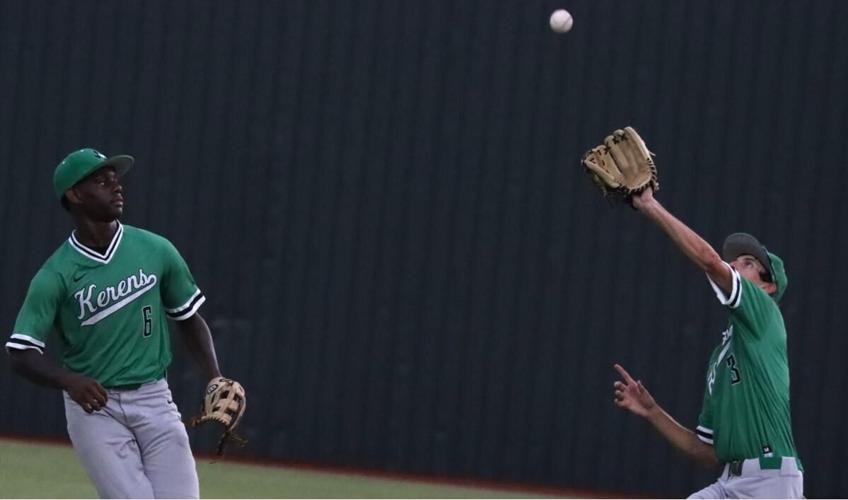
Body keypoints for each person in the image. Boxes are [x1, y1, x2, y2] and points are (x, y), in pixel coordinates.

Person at [5, 148, 223, 499]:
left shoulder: (156, 250)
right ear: (74, 195)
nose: (116, 186)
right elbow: (19, 353)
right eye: (102, 181)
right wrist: (68, 380)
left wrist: (215, 377)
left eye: (115, 179)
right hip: (95, 409)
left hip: (155, 399)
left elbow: (188, 317)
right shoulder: (55, 274)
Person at [612, 187, 803, 498]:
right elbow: (706, 451)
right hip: (731, 481)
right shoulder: (722, 356)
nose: (737, 265)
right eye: (738, 260)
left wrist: (648, 204)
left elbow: (710, 261)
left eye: (749, 263)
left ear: (768, 286)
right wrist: (652, 411)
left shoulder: (765, 313)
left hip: (771, 481)